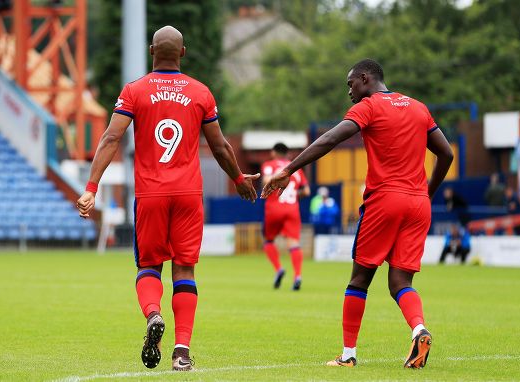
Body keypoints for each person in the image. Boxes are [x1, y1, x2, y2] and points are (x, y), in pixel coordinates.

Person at [76, 26, 259, 372]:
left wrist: (91, 187)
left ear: (151, 51)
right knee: (185, 269)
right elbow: (219, 146)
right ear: (183, 53)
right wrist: (237, 178)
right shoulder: (201, 92)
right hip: (189, 193)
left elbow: (111, 138)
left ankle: (153, 314)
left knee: (149, 266)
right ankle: (181, 353)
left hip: (151, 193)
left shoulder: (135, 91)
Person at [262, 59, 453, 369]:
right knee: (400, 281)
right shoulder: (419, 107)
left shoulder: (369, 106)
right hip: (418, 204)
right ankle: (419, 329)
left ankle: (348, 355)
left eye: (351, 84)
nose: (349, 91)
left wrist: (289, 168)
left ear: (366, 78)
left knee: (359, 280)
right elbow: (446, 153)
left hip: (385, 201)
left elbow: (330, 139)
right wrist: (426, 193)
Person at [262, 142, 310, 290]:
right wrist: (295, 195)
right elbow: (307, 191)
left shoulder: (269, 164)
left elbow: (266, 180)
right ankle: (297, 276)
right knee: (293, 243)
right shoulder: (295, 168)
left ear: (274, 152)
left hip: (274, 208)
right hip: (292, 209)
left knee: (268, 240)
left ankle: (279, 269)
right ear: (287, 153)